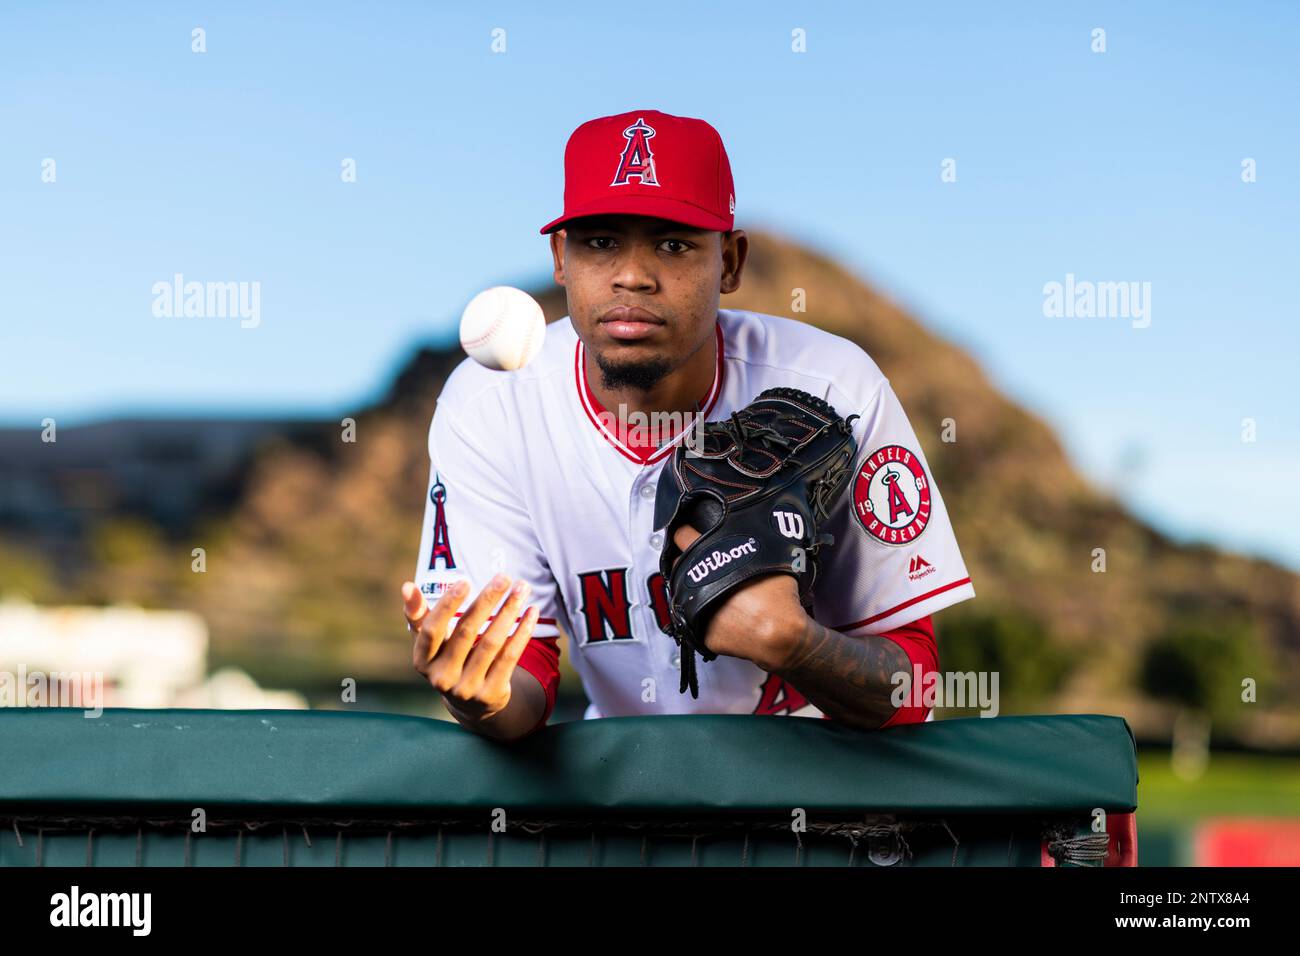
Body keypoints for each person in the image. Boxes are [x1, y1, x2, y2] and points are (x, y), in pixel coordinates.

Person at [401, 109, 975, 741]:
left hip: (821, 793)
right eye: (600, 242)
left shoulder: (833, 385)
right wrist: (479, 698)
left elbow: (913, 683)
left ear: (729, 262)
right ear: (561, 258)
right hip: (631, 795)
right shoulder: (491, 405)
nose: (633, 275)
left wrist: (791, 643)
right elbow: (525, 684)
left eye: (673, 244)